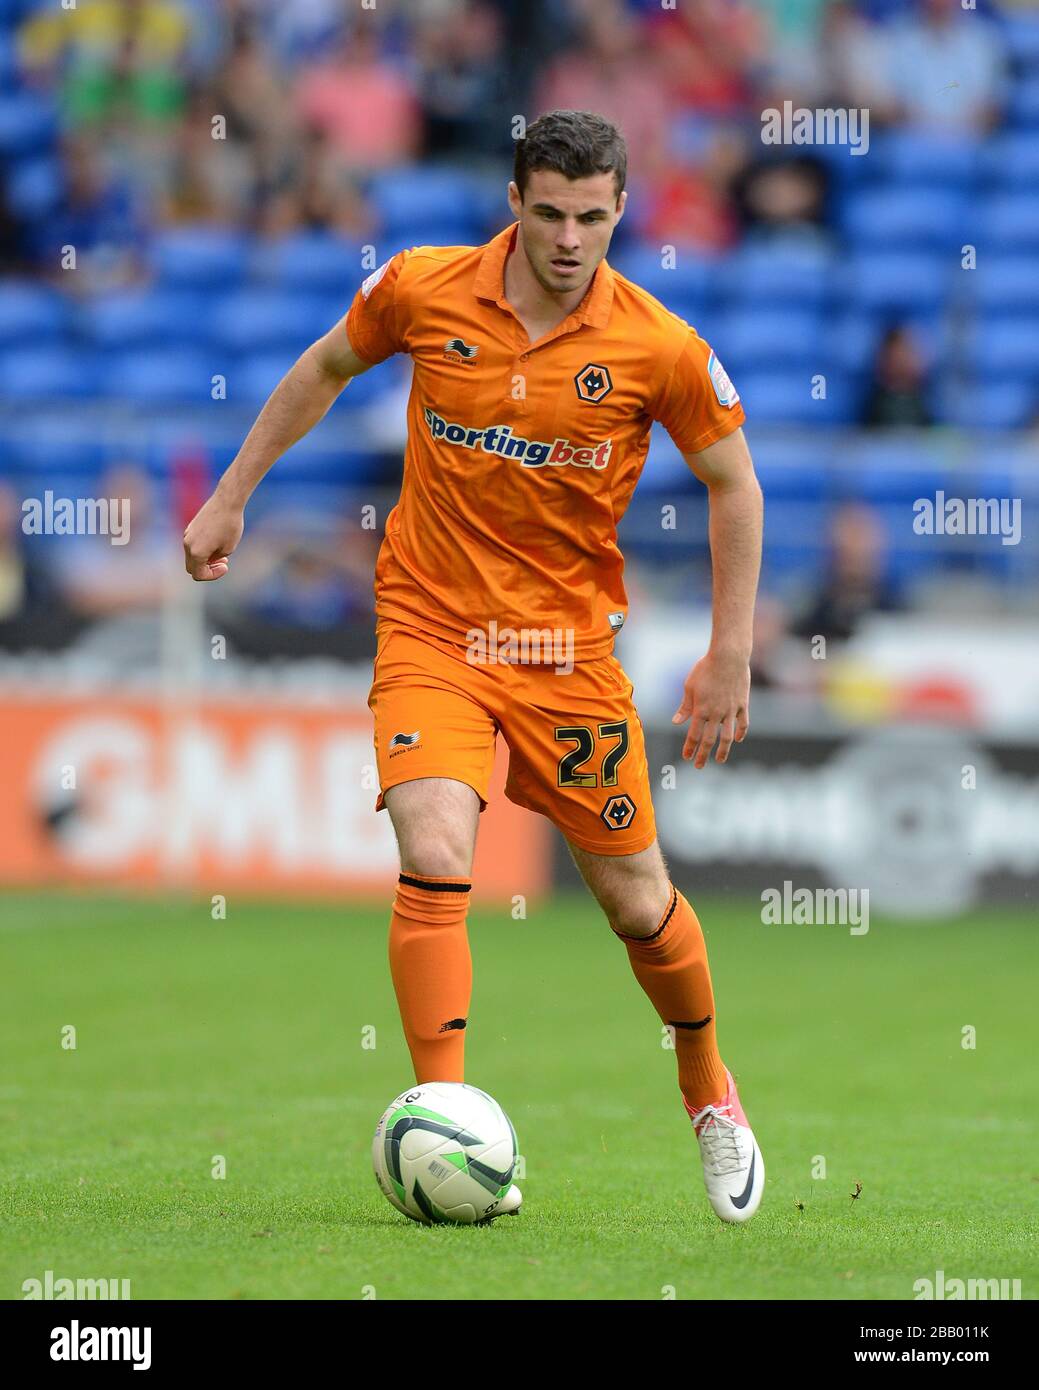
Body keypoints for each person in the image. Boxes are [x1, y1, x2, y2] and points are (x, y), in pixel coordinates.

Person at [183, 110, 766, 1226]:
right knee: (437, 848)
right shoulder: (423, 287)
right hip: (430, 628)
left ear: (620, 212)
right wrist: (230, 493)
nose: (567, 238)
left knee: (640, 905)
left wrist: (727, 649)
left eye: (591, 217)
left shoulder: (659, 347)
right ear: (513, 201)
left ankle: (708, 1091)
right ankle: (443, 1114)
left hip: (566, 653)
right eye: (547, 212)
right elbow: (322, 367)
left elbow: (735, 485)